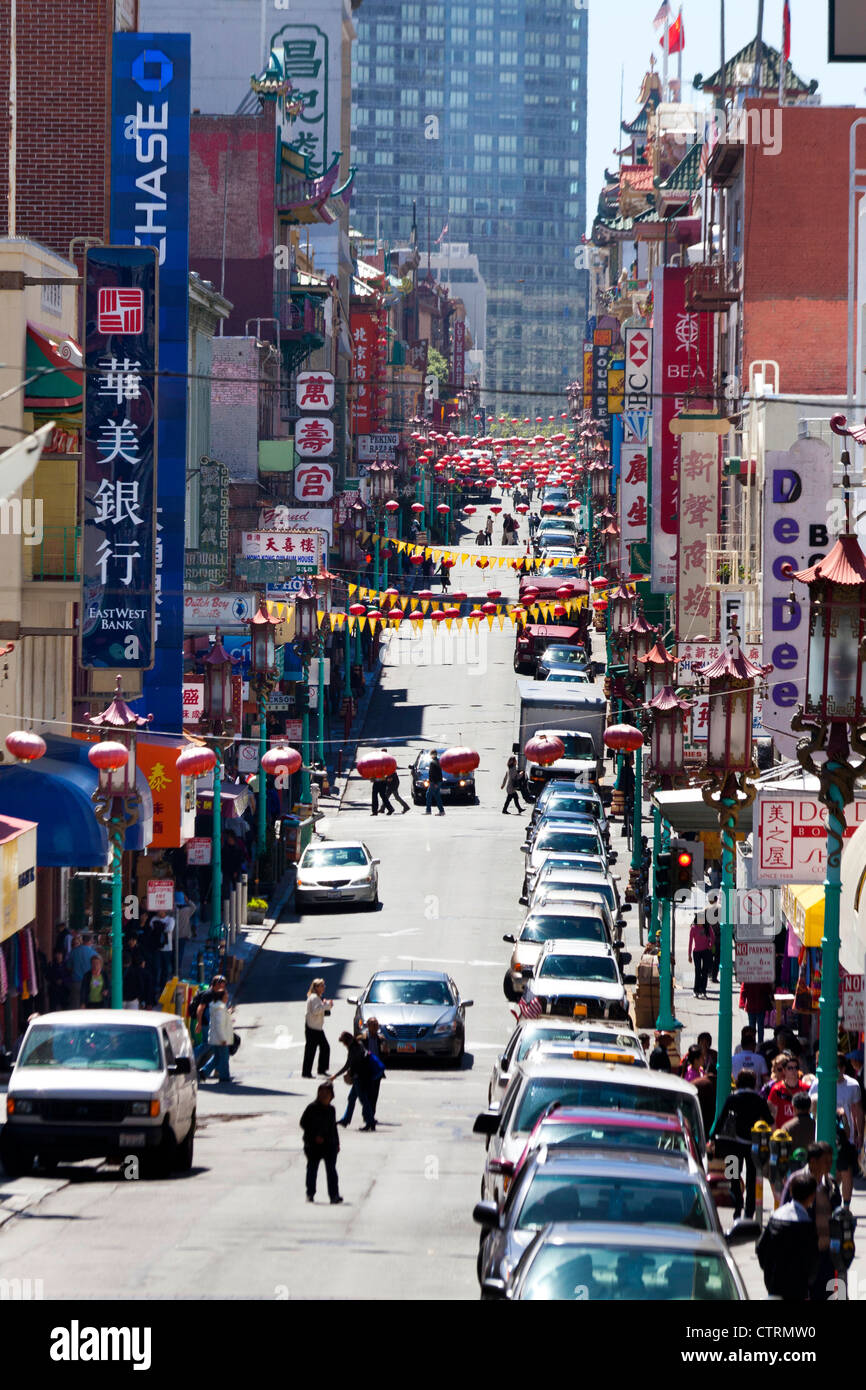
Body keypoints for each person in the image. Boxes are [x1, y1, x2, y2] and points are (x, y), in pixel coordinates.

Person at [780, 1142, 842, 1301]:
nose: (829, 1165)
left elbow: (838, 1215)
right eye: (826, 1161)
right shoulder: (796, 1181)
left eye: (831, 1161)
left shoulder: (831, 1184)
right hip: (803, 1257)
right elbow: (783, 1214)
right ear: (813, 1162)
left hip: (826, 1257)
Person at [714, 1068, 773, 1218]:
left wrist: (712, 1136)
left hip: (733, 1144)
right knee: (752, 1177)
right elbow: (770, 1120)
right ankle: (749, 1210)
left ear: (738, 1082)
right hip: (753, 1145)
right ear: (754, 1083)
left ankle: (737, 1204)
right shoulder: (759, 1100)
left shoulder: (733, 1098)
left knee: (732, 1174)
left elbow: (721, 1120)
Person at [756, 1173, 819, 1301]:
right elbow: (812, 1260)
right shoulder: (806, 1225)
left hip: (774, 1286)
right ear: (812, 1196)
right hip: (797, 1289)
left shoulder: (776, 1217)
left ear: (791, 1191)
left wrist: (770, 1272)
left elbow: (761, 1248)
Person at [809, 1055, 863, 1204]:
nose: (835, 1068)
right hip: (822, 1133)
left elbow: (858, 1111)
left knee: (846, 1171)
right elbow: (811, 1110)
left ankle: (845, 1206)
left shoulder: (853, 1085)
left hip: (845, 1136)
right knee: (823, 1170)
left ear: (844, 1068)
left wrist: (859, 1134)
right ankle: (822, 1200)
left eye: (838, 1065)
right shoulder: (817, 1083)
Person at [300, 1082, 342, 1204]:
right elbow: (303, 1123)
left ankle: (334, 1196)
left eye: (327, 1093)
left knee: (331, 1171)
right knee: (312, 1169)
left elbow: (333, 1128)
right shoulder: (312, 1108)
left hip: (329, 1145)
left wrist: (337, 1143)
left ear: (332, 1095)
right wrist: (315, 1136)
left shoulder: (331, 1109)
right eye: (321, 1092)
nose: (324, 1095)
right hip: (313, 1145)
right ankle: (310, 1193)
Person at [335, 1031, 376, 1130]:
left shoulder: (353, 1049)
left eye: (343, 1042)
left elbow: (347, 1065)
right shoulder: (359, 1045)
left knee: (363, 1100)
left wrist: (335, 1075)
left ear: (347, 1041)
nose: (343, 1045)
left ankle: (370, 1122)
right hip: (361, 1076)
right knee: (351, 1098)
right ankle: (346, 1119)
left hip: (359, 1077)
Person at [204, 975, 235, 1083]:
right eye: (226, 995)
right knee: (224, 1058)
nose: (227, 996)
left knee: (217, 1057)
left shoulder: (218, 1006)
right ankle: (224, 1076)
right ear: (222, 997)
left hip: (215, 1037)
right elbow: (219, 1025)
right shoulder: (220, 1009)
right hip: (220, 1038)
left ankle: (203, 1072)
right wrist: (223, 1039)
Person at [302, 978, 333, 1078]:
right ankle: (308, 1072)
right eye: (322, 986)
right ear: (316, 987)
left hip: (315, 1027)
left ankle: (319, 1070)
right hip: (313, 1028)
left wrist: (325, 1005)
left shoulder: (316, 997)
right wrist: (327, 1005)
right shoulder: (314, 997)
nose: (324, 987)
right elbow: (316, 1011)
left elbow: (319, 1010)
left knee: (322, 1048)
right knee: (312, 1050)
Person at [768, 1055, 810, 1128]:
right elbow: (773, 1116)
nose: (793, 1070)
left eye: (796, 1068)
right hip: (783, 1134)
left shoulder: (806, 1088)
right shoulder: (776, 1089)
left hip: (801, 1131)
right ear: (784, 1070)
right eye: (790, 1068)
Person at [740, 979, 774, 1046]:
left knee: (752, 1027)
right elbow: (768, 990)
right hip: (760, 1006)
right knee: (760, 1027)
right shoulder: (762, 979)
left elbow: (743, 991)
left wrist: (742, 1003)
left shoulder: (748, 979)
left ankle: (752, 1043)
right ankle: (760, 1044)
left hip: (752, 1006)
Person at [687, 917, 714, 999]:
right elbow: (690, 942)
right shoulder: (693, 928)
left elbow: (713, 937)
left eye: (702, 922)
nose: (700, 924)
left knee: (704, 971)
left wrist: (710, 945)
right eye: (699, 922)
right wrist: (689, 955)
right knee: (698, 971)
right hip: (696, 952)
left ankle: (703, 990)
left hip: (706, 951)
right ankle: (696, 990)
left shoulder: (707, 927)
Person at [425, 750, 445, 816]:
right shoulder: (438, 761)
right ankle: (441, 811)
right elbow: (439, 773)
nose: (431, 756)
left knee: (428, 795)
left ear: (433, 755)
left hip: (434, 782)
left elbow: (434, 774)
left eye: (431, 754)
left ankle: (428, 811)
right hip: (438, 781)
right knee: (437, 796)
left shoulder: (433, 762)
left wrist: (435, 783)